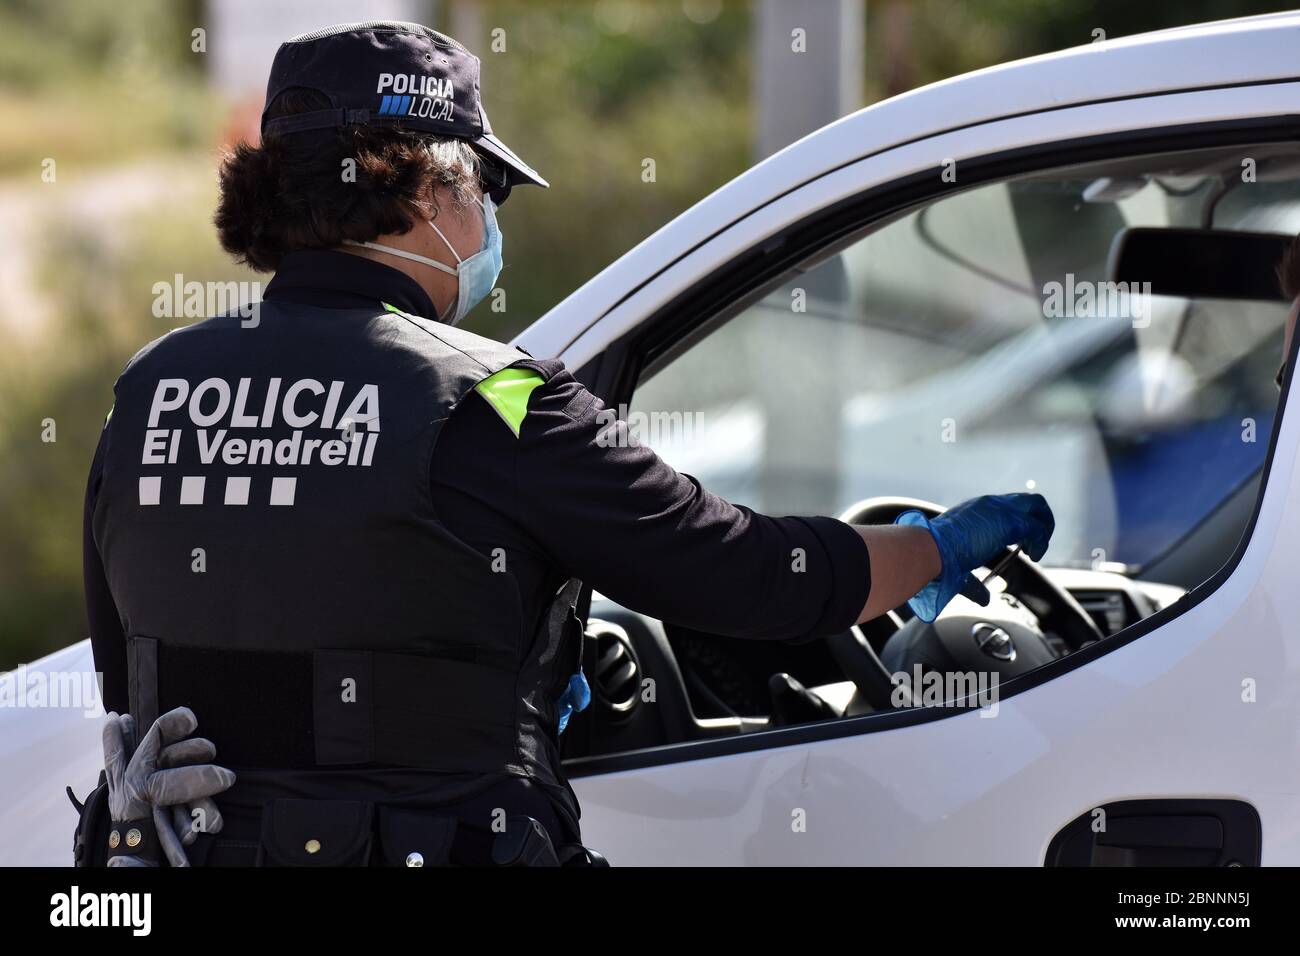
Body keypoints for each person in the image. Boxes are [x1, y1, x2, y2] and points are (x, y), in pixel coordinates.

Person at [81, 20, 1054, 866]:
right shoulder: (493, 391)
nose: (494, 216)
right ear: (429, 190)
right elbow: (750, 574)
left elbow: (137, 683)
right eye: (490, 185)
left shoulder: (151, 388)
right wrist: (937, 545)